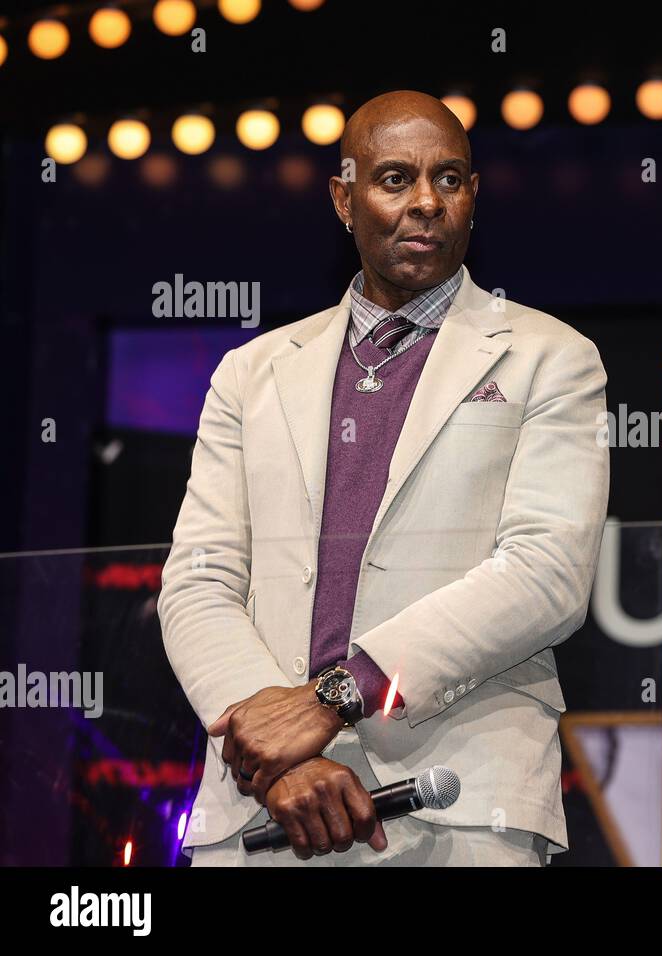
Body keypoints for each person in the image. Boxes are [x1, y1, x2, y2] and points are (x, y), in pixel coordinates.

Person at [158, 91, 609, 866]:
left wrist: (335, 695)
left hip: (458, 796)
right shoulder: (252, 372)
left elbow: (547, 573)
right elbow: (199, 584)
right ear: (344, 197)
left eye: (451, 179)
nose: (427, 202)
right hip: (269, 801)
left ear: (473, 196)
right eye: (395, 179)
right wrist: (284, 751)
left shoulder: (551, 357)